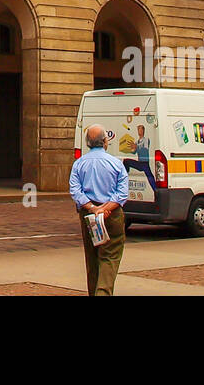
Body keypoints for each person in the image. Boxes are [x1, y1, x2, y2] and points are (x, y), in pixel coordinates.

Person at [69, 124, 129, 296]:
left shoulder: (79, 164)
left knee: (92, 256)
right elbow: (122, 193)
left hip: (89, 213)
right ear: (105, 141)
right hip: (111, 213)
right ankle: (103, 292)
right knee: (110, 255)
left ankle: (94, 292)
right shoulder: (115, 163)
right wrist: (106, 208)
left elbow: (75, 190)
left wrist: (93, 208)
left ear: (88, 143)